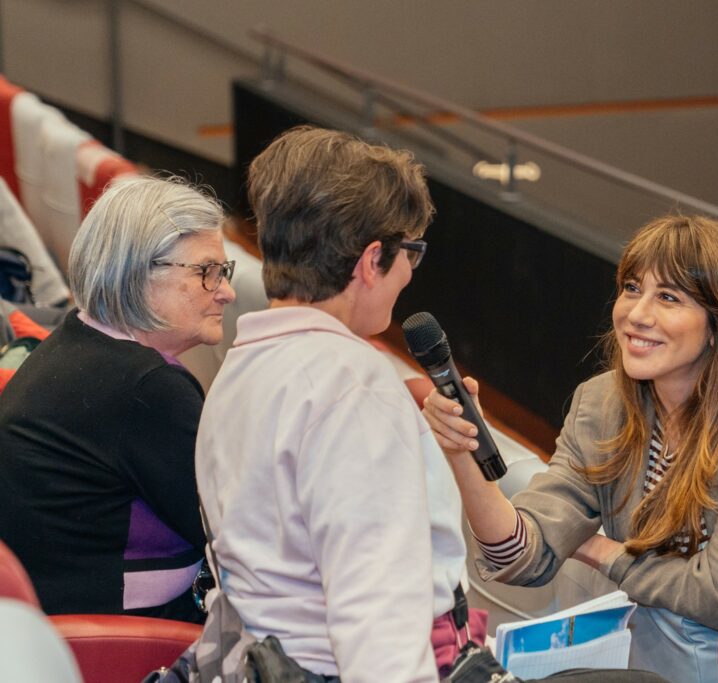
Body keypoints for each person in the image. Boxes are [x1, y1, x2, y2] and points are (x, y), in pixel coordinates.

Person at [424, 215, 718, 682]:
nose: (636, 314)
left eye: (669, 297)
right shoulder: (601, 403)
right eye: (633, 288)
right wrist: (464, 454)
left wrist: (603, 552)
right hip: (664, 662)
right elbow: (520, 557)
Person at [195, 125, 466, 683]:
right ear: (371, 260)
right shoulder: (353, 385)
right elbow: (378, 620)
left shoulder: (240, 365)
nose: (411, 271)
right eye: (410, 252)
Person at [0, 175, 235, 623]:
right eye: (207, 272)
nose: (227, 291)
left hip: (53, 626)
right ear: (138, 272)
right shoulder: (144, 388)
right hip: (117, 645)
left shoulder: (78, 340)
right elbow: (240, 535)